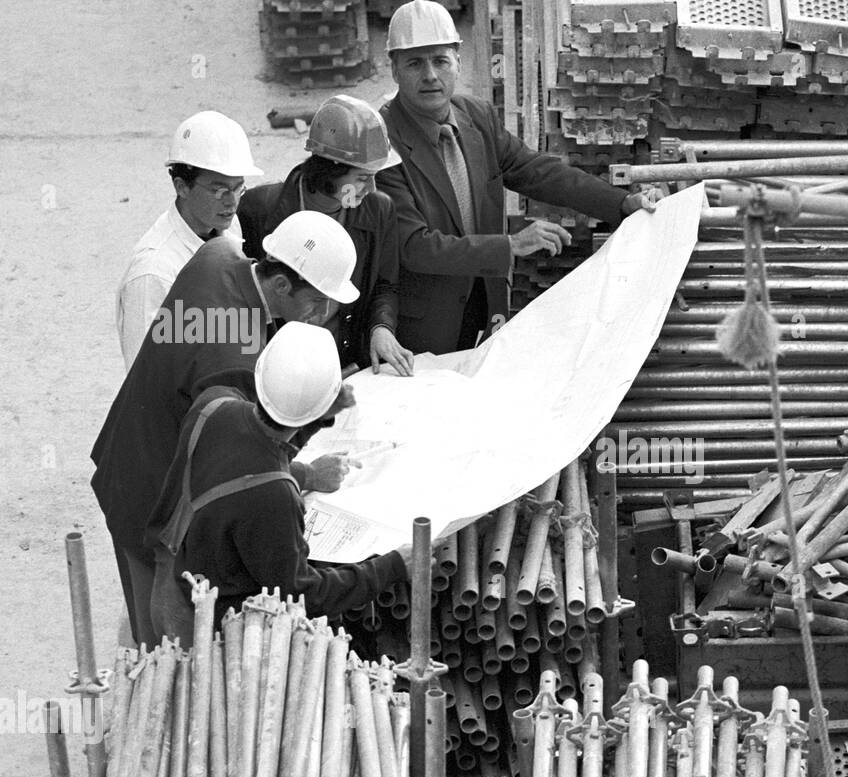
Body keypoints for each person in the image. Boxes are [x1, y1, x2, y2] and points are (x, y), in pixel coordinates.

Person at [92, 210, 361, 647]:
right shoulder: (234, 364)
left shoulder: (218, 254)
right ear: (279, 285)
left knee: (146, 609)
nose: (322, 313)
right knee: (164, 646)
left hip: (129, 453)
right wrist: (311, 472)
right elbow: (239, 466)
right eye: (316, 300)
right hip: (152, 494)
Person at [377, 0, 659, 356]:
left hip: (486, 302)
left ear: (458, 62)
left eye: (440, 60)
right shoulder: (382, 140)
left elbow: (537, 171)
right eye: (415, 63)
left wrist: (619, 202)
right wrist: (511, 245)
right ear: (394, 69)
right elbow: (414, 247)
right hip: (425, 327)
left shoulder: (476, 117)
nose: (430, 75)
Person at [146, 323, 412, 644]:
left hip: (166, 584)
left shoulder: (215, 404)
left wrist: (308, 474)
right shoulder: (276, 497)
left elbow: (247, 455)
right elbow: (304, 595)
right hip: (203, 626)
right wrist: (393, 566)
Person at [238, 95, 415, 376]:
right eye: (361, 178)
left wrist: (381, 328)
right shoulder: (258, 210)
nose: (371, 188)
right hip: (277, 364)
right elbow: (246, 294)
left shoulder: (379, 209)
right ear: (330, 170)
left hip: (344, 359)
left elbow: (385, 285)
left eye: (374, 176)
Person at [116, 111, 263, 367]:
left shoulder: (228, 228)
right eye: (218, 189)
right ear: (181, 186)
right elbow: (145, 378)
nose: (232, 201)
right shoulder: (154, 275)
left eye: (238, 187)